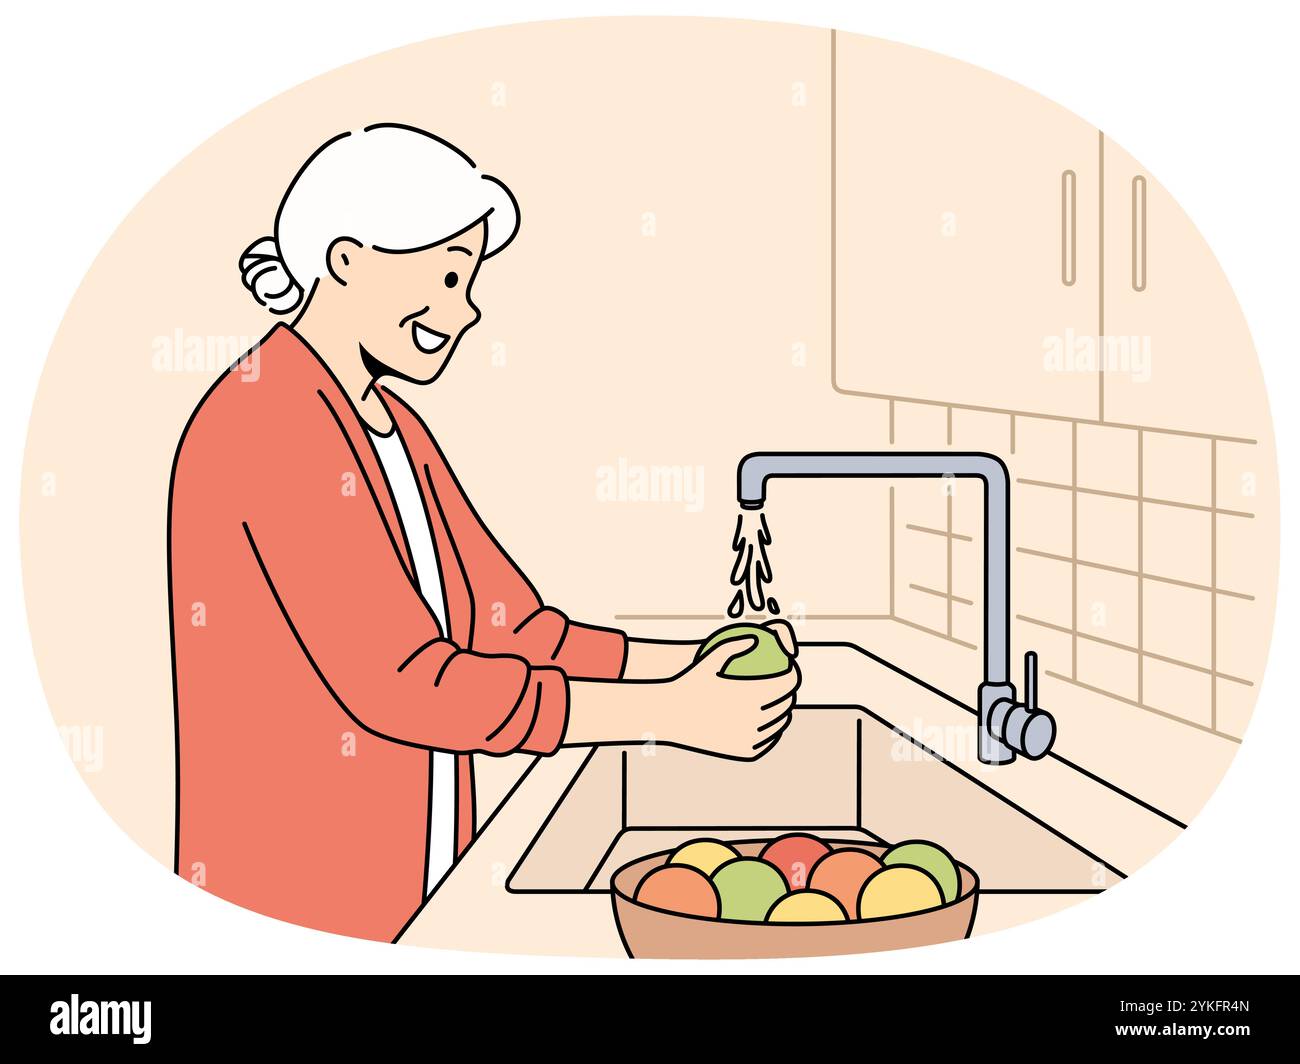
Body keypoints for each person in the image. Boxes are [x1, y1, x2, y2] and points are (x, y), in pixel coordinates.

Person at [169, 124, 799, 941]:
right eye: (445, 276)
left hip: (413, 876)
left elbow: (514, 628)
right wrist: (669, 714)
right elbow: (403, 683)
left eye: (467, 282)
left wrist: (680, 665)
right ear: (348, 260)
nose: (462, 311)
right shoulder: (267, 421)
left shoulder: (393, 425)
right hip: (296, 903)